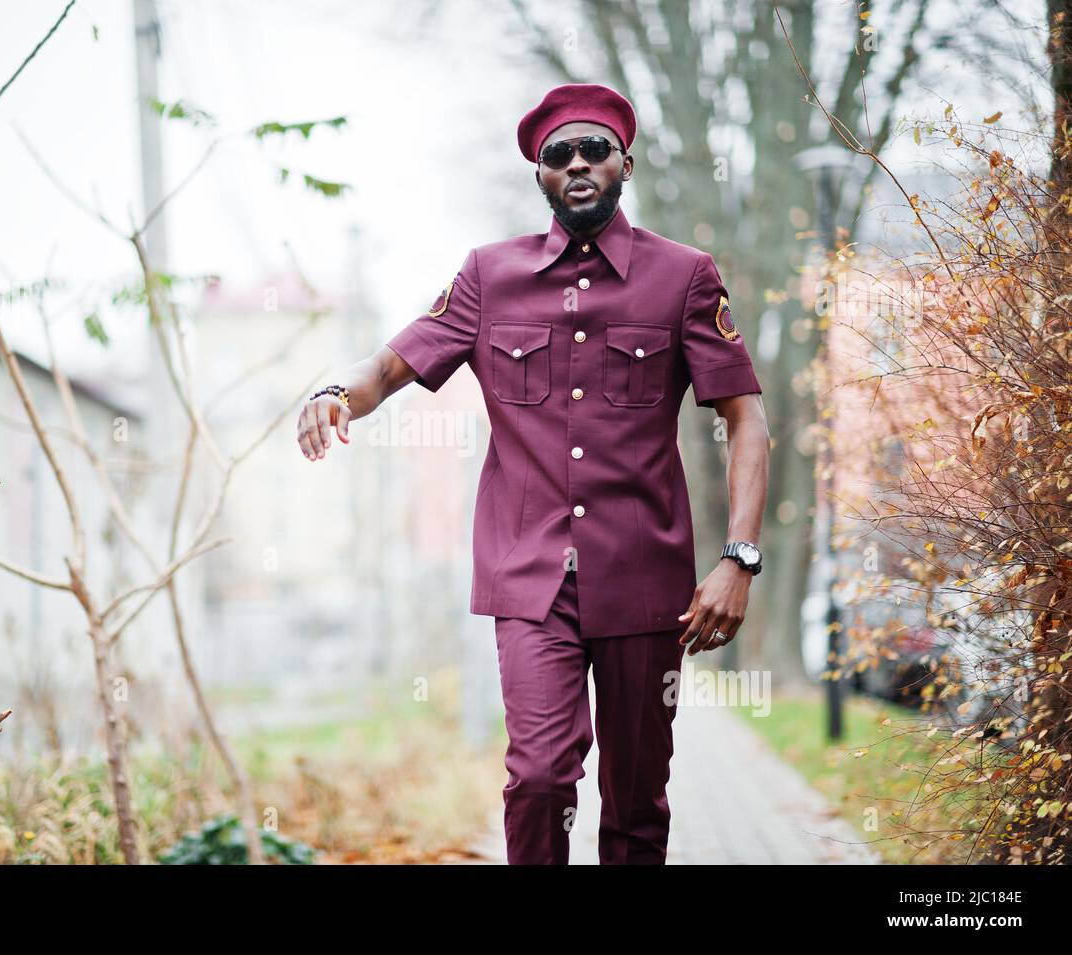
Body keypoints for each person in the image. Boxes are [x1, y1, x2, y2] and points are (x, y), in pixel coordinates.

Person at [296, 82, 770, 865]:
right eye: (559, 154)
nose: (578, 163)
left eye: (595, 150)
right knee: (540, 779)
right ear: (539, 175)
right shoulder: (488, 276)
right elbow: (389, 366)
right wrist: (332, 389)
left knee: (637, 800)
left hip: (645, 583)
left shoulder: (684, 276)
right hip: (528, 579)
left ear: (625, 163)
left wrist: (739, 557)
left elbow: (745, 418)